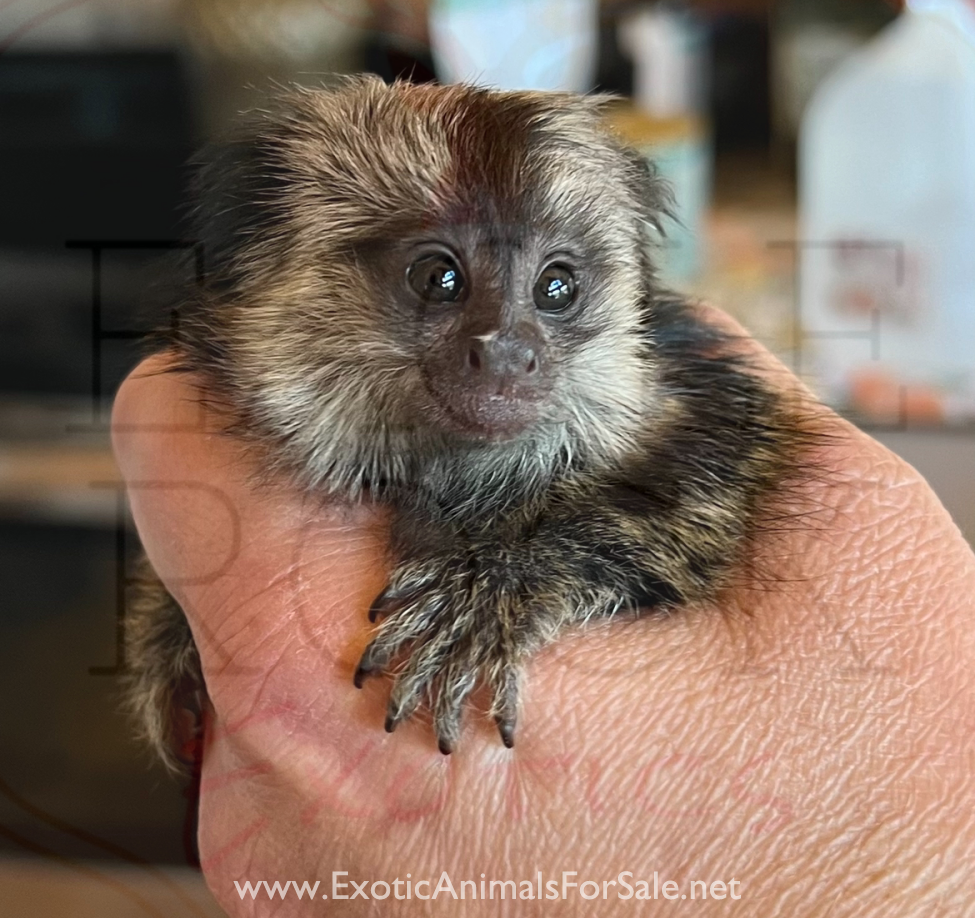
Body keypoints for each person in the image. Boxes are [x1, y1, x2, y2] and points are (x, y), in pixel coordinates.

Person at [112, 320, 975, 916]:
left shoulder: (664, 417)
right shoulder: (288, 390)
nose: (502, 342)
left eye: (556, 289)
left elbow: (693, 535)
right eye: (437, 282)